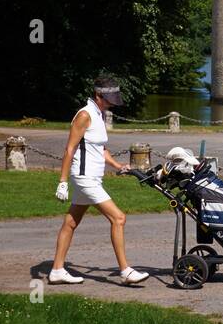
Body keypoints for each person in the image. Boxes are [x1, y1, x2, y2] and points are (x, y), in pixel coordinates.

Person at [49, 76, 148, 285]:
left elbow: (101, 148)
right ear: (98, 95)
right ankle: (125, 271)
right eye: (109, 98)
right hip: (84, 177)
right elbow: (69, 149)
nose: (112, 102)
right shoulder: (84, 115)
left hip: (93, 177)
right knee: (119, 218)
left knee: (71, 221)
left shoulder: (99, 114)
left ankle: (57, 270)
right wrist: (63, 181)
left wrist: (117, 165)